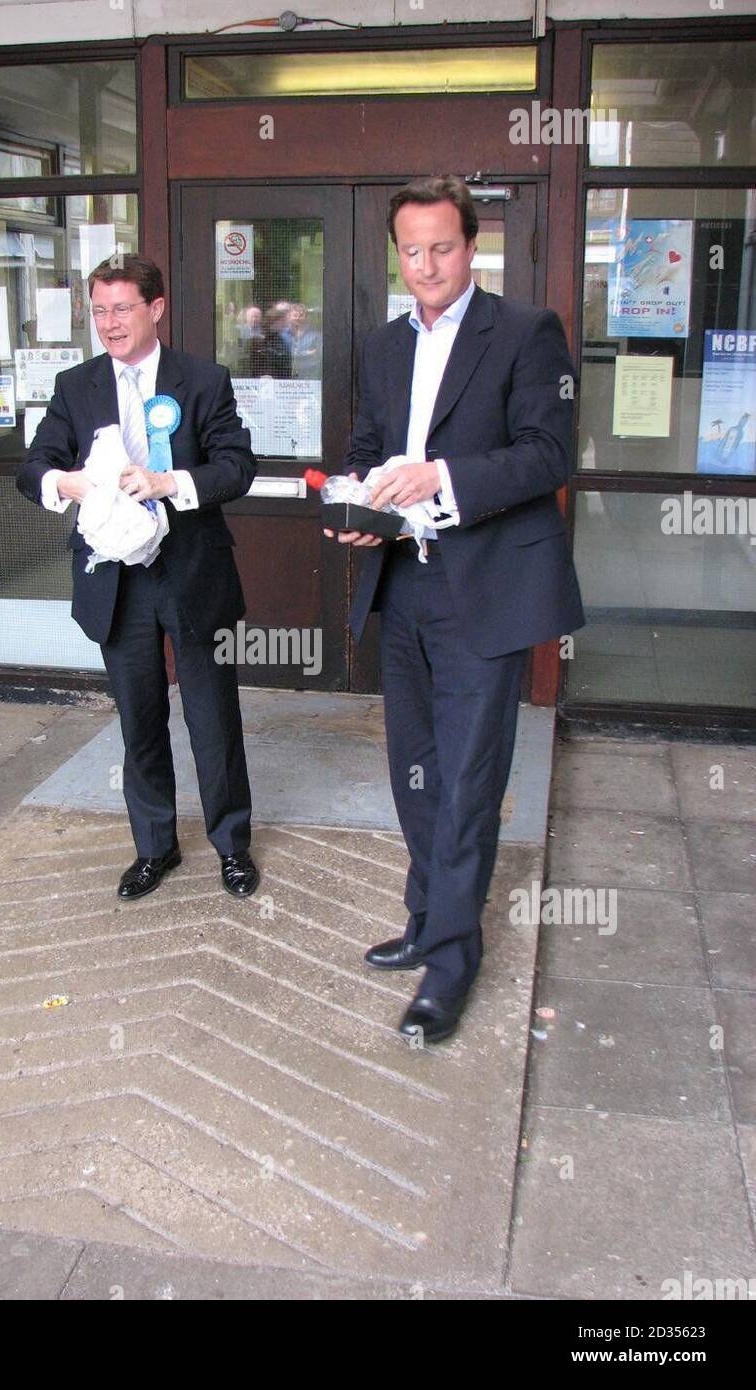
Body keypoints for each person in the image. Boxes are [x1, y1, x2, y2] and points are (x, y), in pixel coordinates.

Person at [329, 175, 584, 1045]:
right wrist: (365, 513)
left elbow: (546, 455)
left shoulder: (523, 332)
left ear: (469, 247)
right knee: (415, 769)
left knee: (470, 778)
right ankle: (428, 915)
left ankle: (451, 960)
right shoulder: (382, 344)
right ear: (396, 252)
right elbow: (367, 451)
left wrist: (441, 478)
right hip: (403, 585)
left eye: (442, 247)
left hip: (486, 588)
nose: (427, 265)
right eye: (411, 250)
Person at [16, 254, 260, 901]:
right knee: (138, 720)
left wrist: (168, 482)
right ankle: (154, 849)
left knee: (212, 718)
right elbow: (32, 465)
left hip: (191, 573)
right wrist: (61, 481)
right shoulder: (76, 386)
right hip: (114, 579)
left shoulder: (202, 381)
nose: (109, 322)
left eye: (122, 307)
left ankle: (231, 845)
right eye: (98, 310)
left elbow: (236, 467)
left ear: (155, 308)